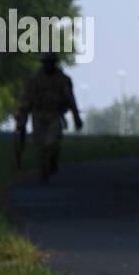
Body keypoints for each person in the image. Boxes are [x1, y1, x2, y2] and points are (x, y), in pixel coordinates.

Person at [15, 53, 83, 182]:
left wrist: (76, 117)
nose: (48, 65)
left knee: (52, 142)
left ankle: (52, 160)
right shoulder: (34, 79)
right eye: (46, 62)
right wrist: (21, 118)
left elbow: (70, 99)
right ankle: (43, 170)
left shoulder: (63, 79)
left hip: (55, 115)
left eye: (51, 62)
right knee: (40, 144)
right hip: (38, 114)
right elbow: (26, 99)